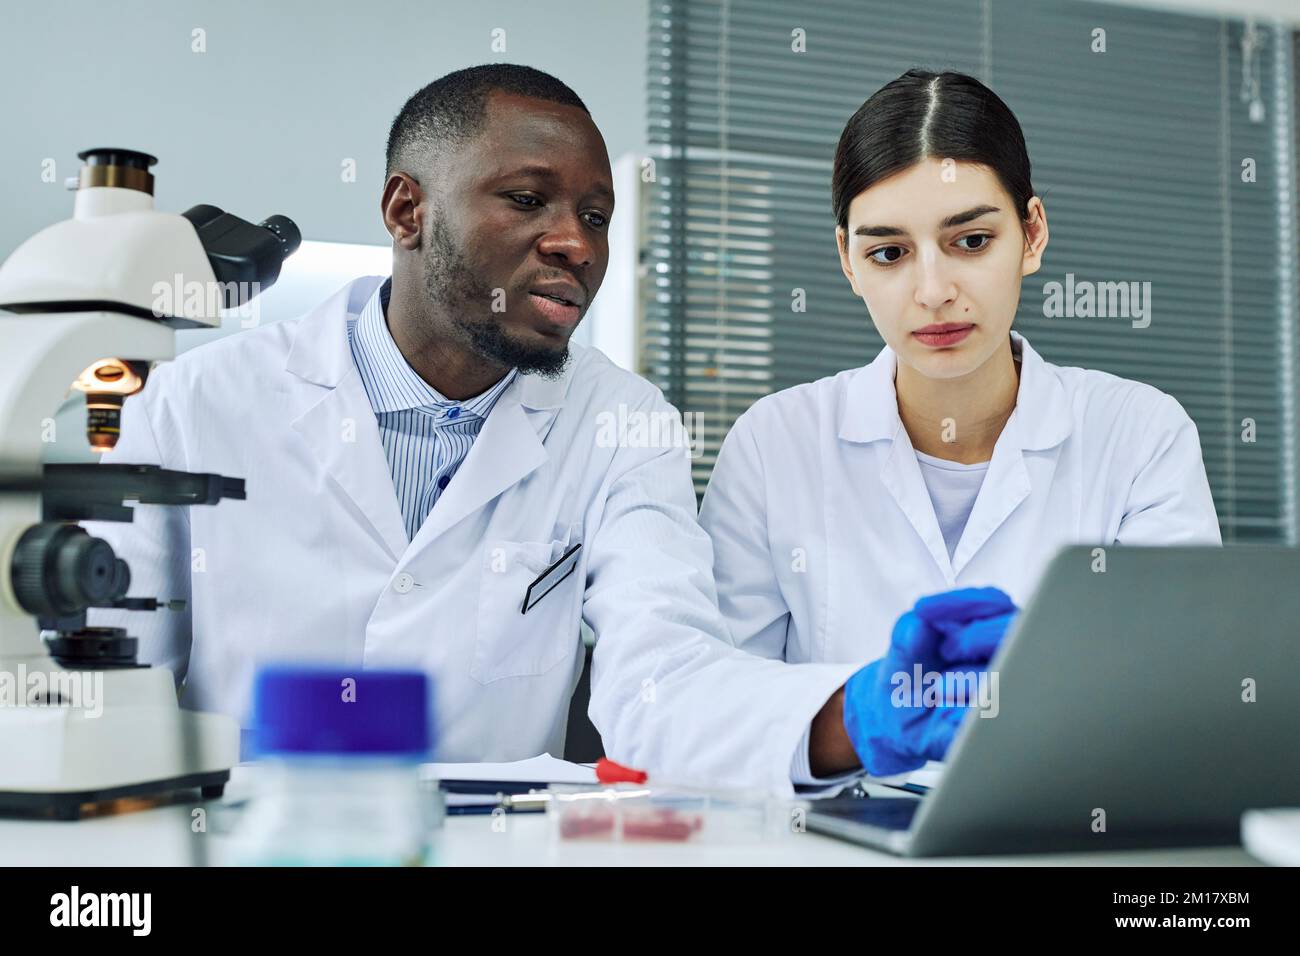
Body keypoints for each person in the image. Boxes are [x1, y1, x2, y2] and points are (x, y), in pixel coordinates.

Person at [83, 65, 869, 794]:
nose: (579, 245)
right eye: (528, 200)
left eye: (596, 217)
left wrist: (855, 716)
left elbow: (662, 677)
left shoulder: (625, 426)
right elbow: (112, 698)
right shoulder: (192, 406)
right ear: (406, 210)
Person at [698, 69, 1222, 783]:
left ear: (1031, 235)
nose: (934, 291)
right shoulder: (774, 444)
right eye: (888, 253)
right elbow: (710, 710)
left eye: (971, 241)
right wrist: (856, 717)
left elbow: (1187, 701)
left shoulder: (1140, 436)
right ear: (847, 262)